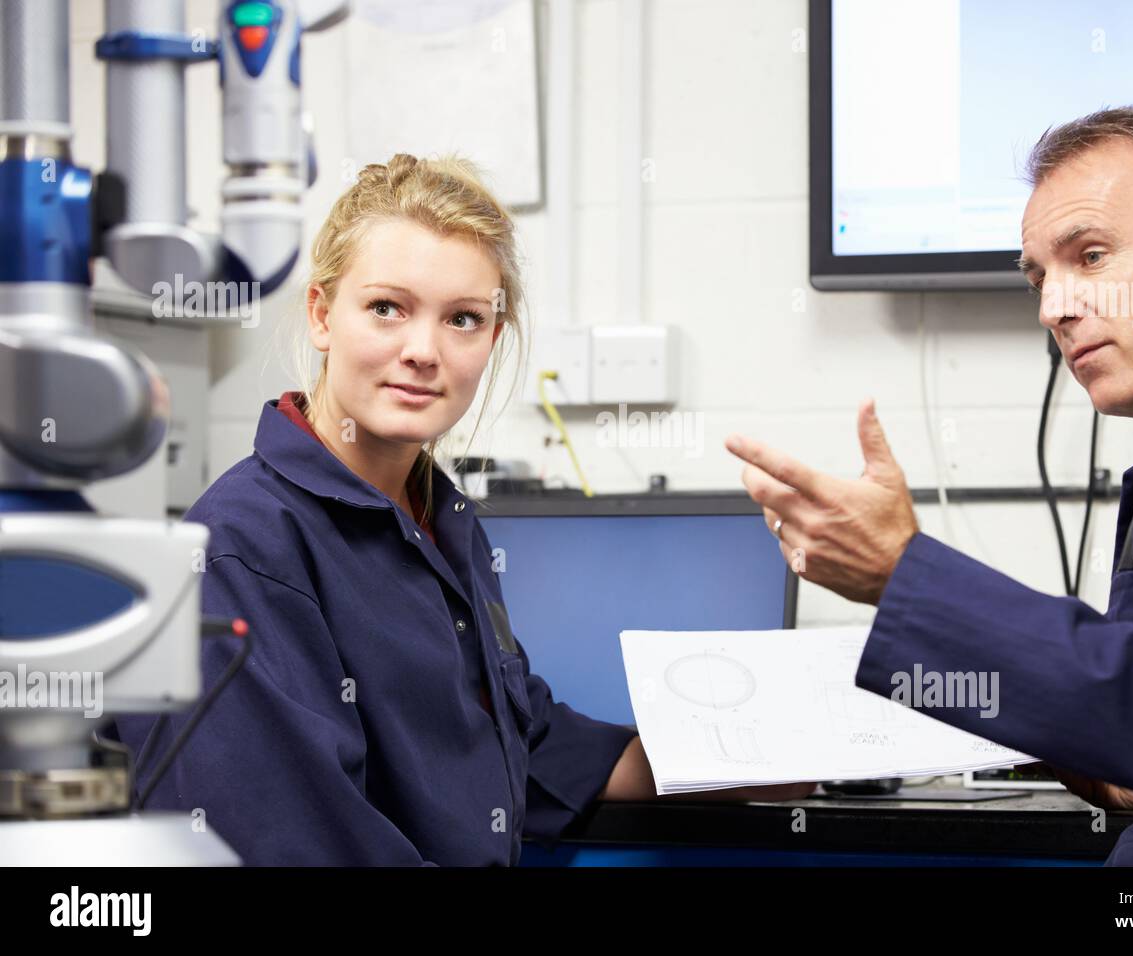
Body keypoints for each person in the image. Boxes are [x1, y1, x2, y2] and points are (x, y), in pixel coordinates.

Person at [111, 154, 808, 865]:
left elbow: (511, 740)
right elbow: (293, 842)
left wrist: (748, 766)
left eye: (463, 319)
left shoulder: (439, 519)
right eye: (387, 308)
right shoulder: (241, 548)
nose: (423, 350)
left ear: (491, 340)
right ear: (322, 314)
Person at [726, 107, 1133, 866]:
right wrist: (1091, 750)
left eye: (1090, 257)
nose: (1052, 307)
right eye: (1040, 277)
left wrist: (905, 577)